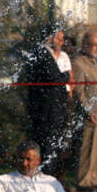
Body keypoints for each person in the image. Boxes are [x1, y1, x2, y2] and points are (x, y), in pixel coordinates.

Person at [22, 26, 73, 174]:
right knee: (47, 145)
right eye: (58, 37)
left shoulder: (44, 53)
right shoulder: (42, 53)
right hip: (47, 110)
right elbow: (54, 78)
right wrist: (65, 76)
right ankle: (45, 175)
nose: (61, 41)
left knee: (53, 145)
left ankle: (49, 175)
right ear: (49, 38)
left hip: (53, 108)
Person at [71, 31, 97, 191]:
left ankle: (93, 179)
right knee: (88, 148)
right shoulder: (79, 63)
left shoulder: (94, 62)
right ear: (85, 45)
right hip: (90, 114)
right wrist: (87, 111)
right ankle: (84, 181)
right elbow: (79, 91)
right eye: (94, 45)